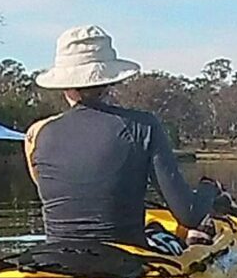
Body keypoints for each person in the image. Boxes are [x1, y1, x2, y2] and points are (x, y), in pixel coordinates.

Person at [24, 25, 221, 248]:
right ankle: (193, 239)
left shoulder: (38, 133)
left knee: (154, 230)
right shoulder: (143, 126)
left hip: (57, 259)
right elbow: (190, 215)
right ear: (109, 81)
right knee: (178, 232)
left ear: (63, 84)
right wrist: (209, 188)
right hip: (126, 262)